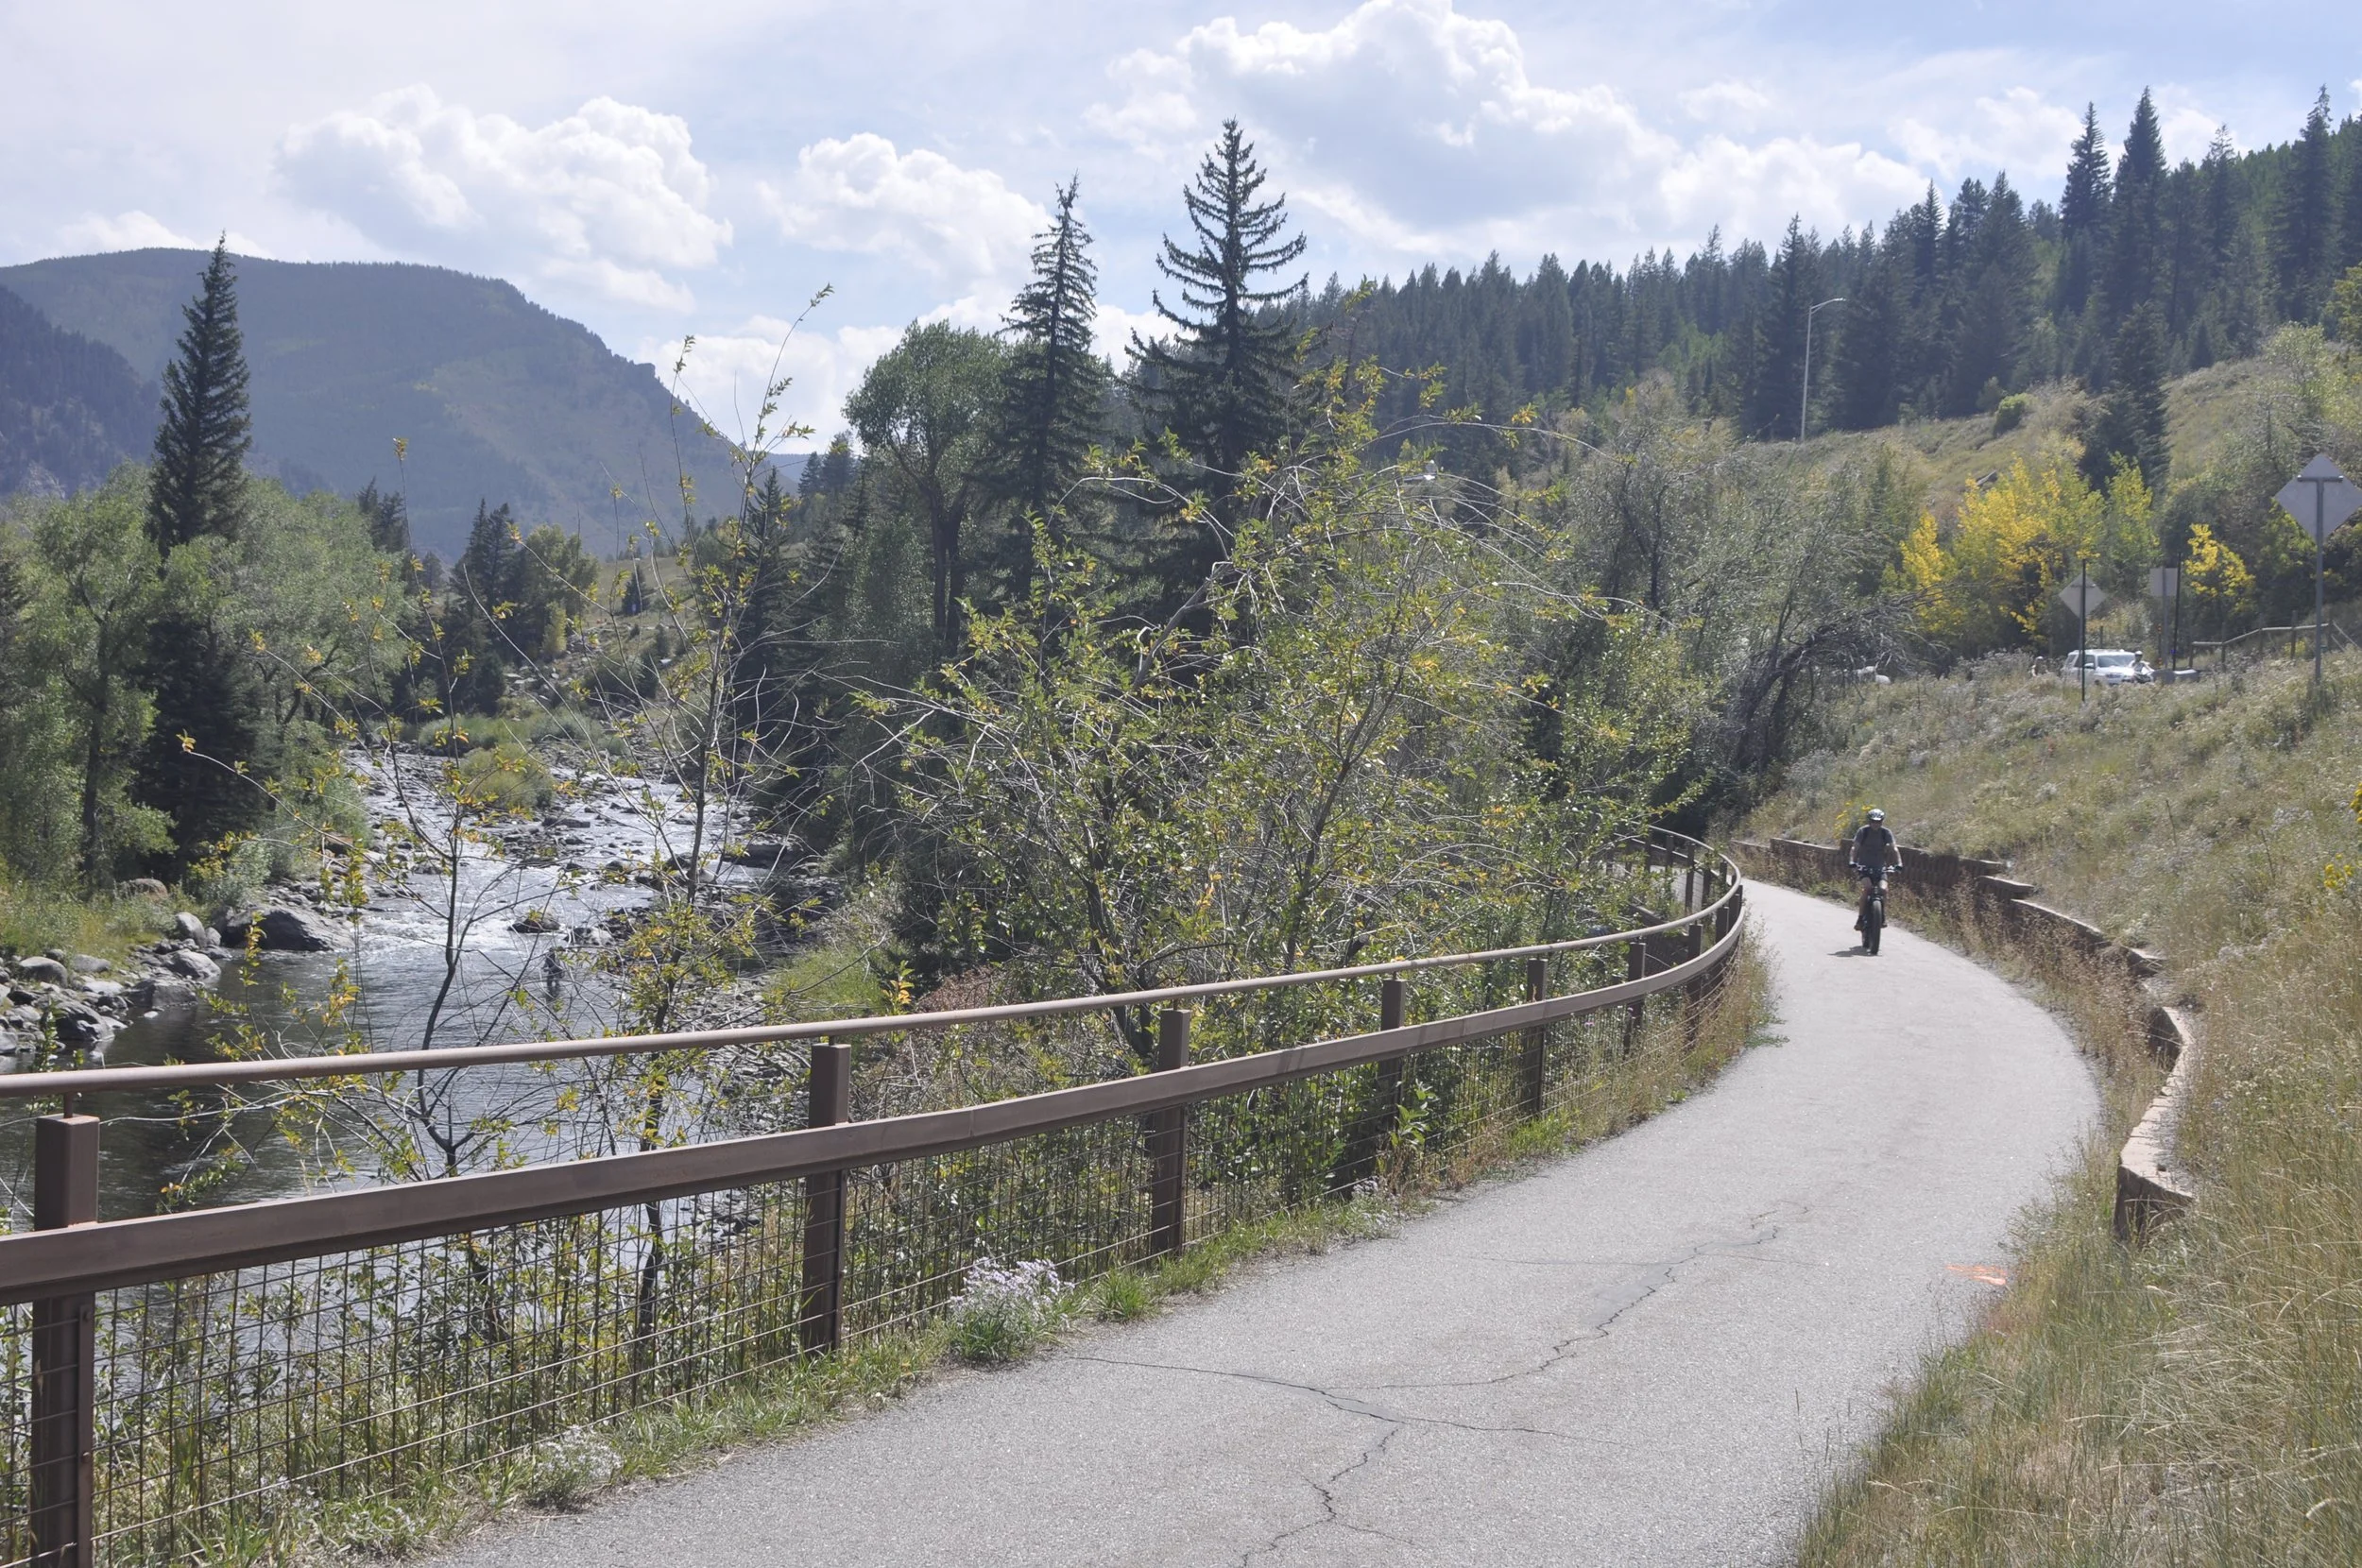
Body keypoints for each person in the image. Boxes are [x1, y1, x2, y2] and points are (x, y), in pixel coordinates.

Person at [1849, 809, 1900, 937]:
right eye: (1873, 821)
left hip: (1880, 868)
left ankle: (1882, 916)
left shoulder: (1886, 833)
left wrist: (1899, 863)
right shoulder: (1863, 831)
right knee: (1867, 888)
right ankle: (1861, 918)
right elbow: (1855, 848)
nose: (1876, 824)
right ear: (1869, 821)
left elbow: (1894, 848)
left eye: (1879, 822)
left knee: (1884, 890)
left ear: (1882, 822)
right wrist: (1852, 861)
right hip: (1864, 867)